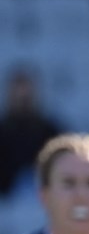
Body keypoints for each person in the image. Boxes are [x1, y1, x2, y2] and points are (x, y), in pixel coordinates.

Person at [0, 66, 63, 198]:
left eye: (26, 95)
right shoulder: (3, 132)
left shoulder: (50, 131)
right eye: (18, 95)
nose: (23, 100)